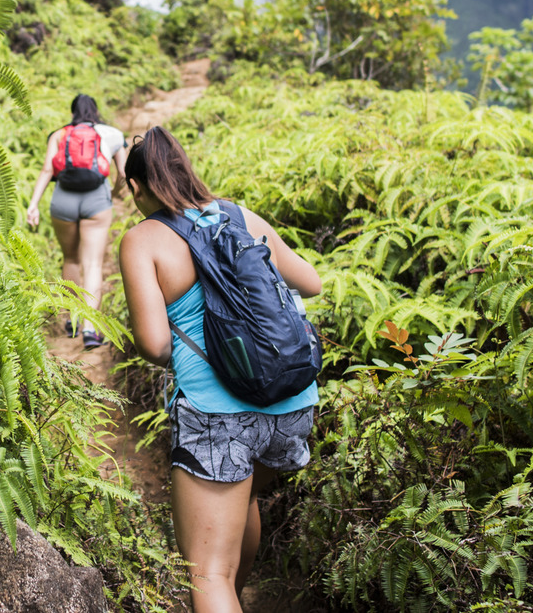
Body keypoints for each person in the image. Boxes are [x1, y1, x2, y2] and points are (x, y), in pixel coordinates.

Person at [117, 127, 322, 612]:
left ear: (135, 188)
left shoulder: (142, 240)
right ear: (187, 171)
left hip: (216, 415)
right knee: (243, 495)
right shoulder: (238, 215)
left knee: (207, 574)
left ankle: (223, 594)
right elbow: (311, 282)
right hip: (291, 400)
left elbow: (153, 343)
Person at [25, 94, 129, 348]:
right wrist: (114, 194)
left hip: (63, 200)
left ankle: (72, 319)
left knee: (70, 258)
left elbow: (47, 170)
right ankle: (91, 330)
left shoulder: (59, 134)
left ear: (73, 113)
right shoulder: (112, 133)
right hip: (96, 201)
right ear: (96, 111)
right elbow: (123, 175)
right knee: (92, 265)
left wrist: (33, 204)